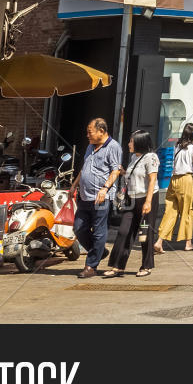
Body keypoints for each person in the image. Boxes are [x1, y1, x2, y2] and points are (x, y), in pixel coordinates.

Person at [105, 129, 159, 278]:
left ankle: (146, 266)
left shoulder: (151, 158)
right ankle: (117, 266)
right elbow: (132, 176)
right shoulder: (134, 158)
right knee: (124, 231)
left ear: (140, 143)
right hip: (131, 199)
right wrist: (122, 172)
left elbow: (152, 180)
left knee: (145, 234)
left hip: (147, 199)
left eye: (131, 142)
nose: (129, 144)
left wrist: (148, 202)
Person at [75, 118, 123, 279]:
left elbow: (116, 171)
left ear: (101, 131)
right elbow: (85, 167)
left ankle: (91, 266)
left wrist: (105, 188)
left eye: (90, 132)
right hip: (84, 196)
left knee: (98, 231)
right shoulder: (90, 146)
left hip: (101, 197)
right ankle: (99, 251)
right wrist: (74, 184)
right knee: (79, 228)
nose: (87, 135)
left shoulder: (113, 147)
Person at [156, 122, 193, 253]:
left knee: (170, 211)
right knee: (187, 211)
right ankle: (188, 243)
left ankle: (159, 241)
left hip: (174, 180)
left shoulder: (177, 146)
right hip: (186, 180)